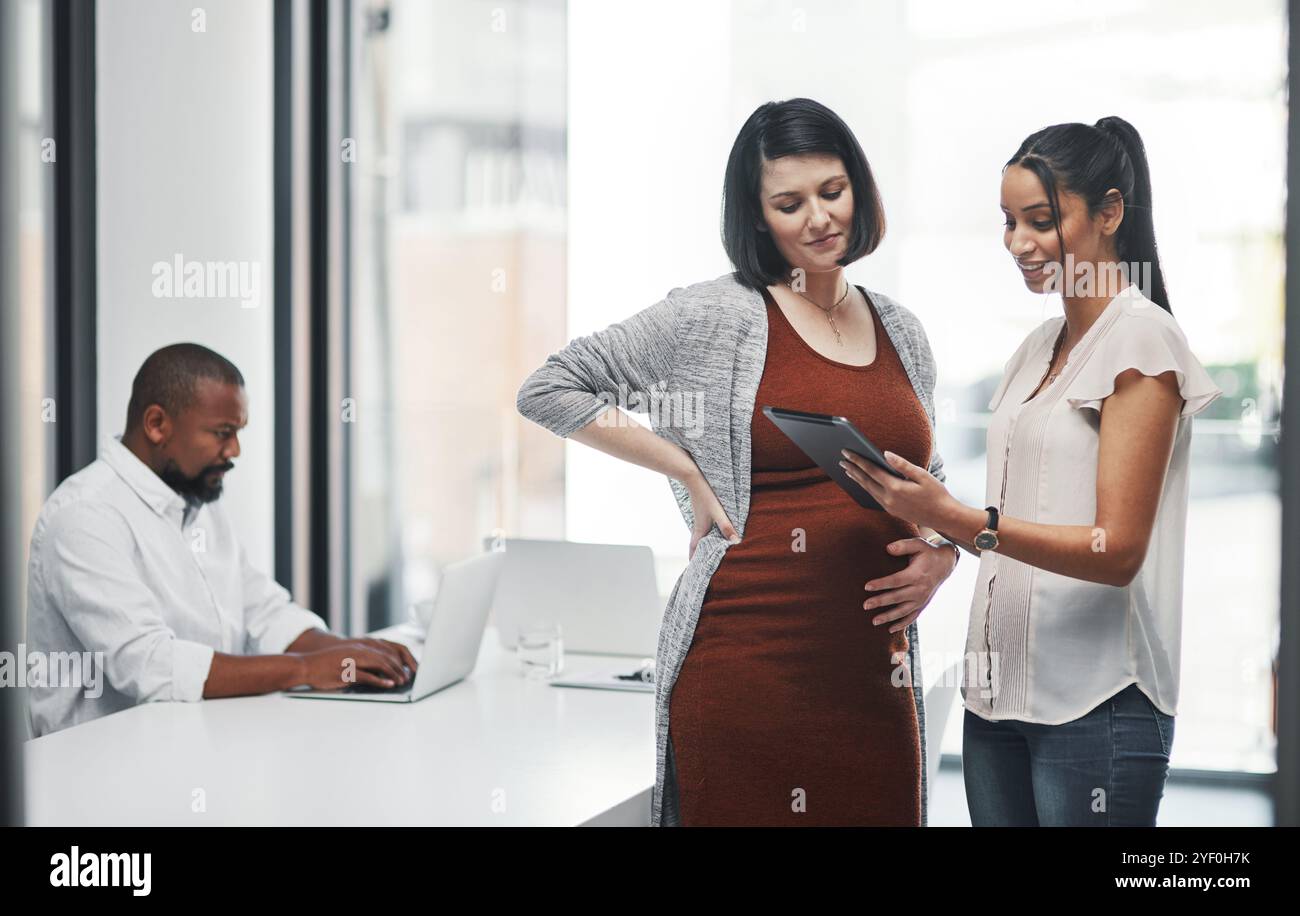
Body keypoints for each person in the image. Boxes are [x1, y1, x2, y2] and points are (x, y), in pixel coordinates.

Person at [517, 98, 957, 825]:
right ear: (757, 217)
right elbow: (550, 389)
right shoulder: (708, 318)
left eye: (832, 191)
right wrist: (684, 469)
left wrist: (941, 553)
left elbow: (928, 484)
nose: (818, 218)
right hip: (746, 668)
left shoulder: (901, 330)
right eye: (790, 203)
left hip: (873, 679)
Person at [838, 117, 1222, 826]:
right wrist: (930, 524)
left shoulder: (1141, 339)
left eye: (1040, 221)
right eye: (1009, 221)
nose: (1017, 243)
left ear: (1109, 212)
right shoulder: (1038, 346)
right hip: (998, 701)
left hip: (1096, 707)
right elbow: (1021, 512)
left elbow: (1119, 551)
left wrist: (965, 521)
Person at [26, 343, 418, 736]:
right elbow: (150, 665)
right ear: (157, 424)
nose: (234, 450)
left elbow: (263, 613)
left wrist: (348, 654)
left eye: (238, 432)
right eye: (222, 433)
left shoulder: (194, 498)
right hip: (102, 771)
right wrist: (305, 668)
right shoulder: (84, 516)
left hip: (197, 745)